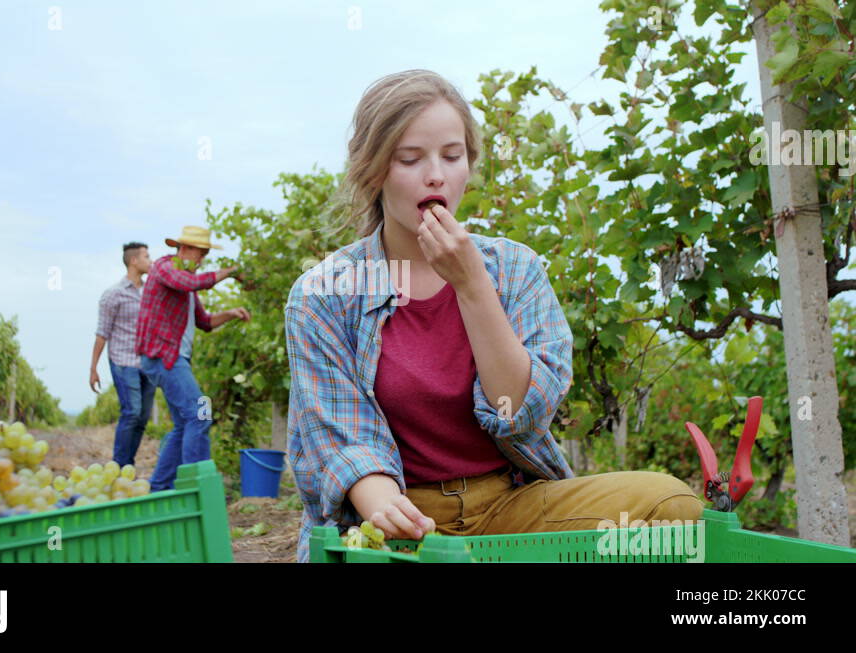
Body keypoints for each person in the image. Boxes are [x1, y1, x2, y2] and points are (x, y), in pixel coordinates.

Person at [284, 70, 703, 563]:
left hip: (510, 505)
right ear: (373, 170)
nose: (435, 174)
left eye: (452, 156)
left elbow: (521, 415)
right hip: (401, 516)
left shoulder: (514, 269)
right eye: (410, 158)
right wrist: (387, 512)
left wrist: (472, 285)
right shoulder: (324, 293)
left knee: (671, 505)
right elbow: (341, 438)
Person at [136, 225, 251, 491]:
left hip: (175, 359)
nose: (201, 261)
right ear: (184, 248)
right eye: (200, 254)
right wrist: (229, 273)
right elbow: (190, 282)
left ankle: (160, 489)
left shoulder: (186, 284)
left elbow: (205, 322)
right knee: (200, 414)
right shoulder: (164, 267)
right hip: (163, 357)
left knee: (184, 424)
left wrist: (231, 313)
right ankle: (197, 489)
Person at [91, 241, 157, 468]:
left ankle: (127, 464)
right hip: (122, 360)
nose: (151, 261)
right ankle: (118, 466)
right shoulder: (113, 294)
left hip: (146, 363)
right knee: (131, 412)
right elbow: (102, 333)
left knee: (143, 418)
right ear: (134, 261)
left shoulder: (151, 291)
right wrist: (93, 368)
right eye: (147, 257)